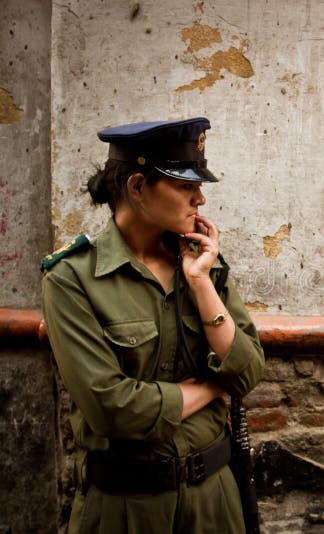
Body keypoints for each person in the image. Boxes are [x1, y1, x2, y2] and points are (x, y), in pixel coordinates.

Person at [41, 117, 265, 533]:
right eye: (185, 185)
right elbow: (113, 410)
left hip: (214, 501)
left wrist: (199, 281)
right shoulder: (73, 279)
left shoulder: (202, 265)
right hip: (126, 509)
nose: (199, 199)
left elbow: (249, 370)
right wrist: (214, 386)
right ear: (138, 187)